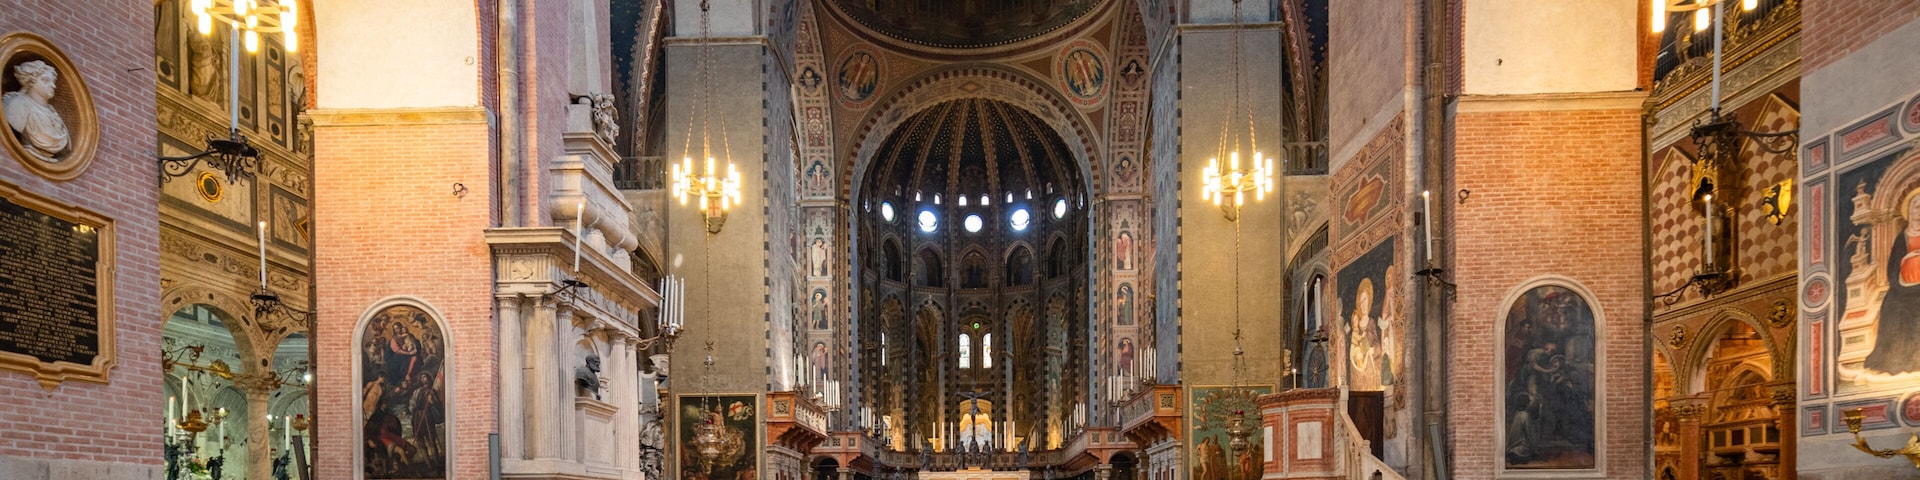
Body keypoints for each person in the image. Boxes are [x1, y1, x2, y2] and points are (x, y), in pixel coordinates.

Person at [1866, 192, 1920, 375]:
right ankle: (1893, 359)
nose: (1919, 212)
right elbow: (1893, 268)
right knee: (1891, 305)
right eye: (1916, 207)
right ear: (1910, 211)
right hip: (1903, 288)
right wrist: (1908, 258)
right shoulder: (1902, 237)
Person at [3, 60, 70, 159]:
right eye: (46, 80)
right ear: (31, 81)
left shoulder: (55, 116)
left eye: (53, 81)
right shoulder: (16, 104)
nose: (53, 86)